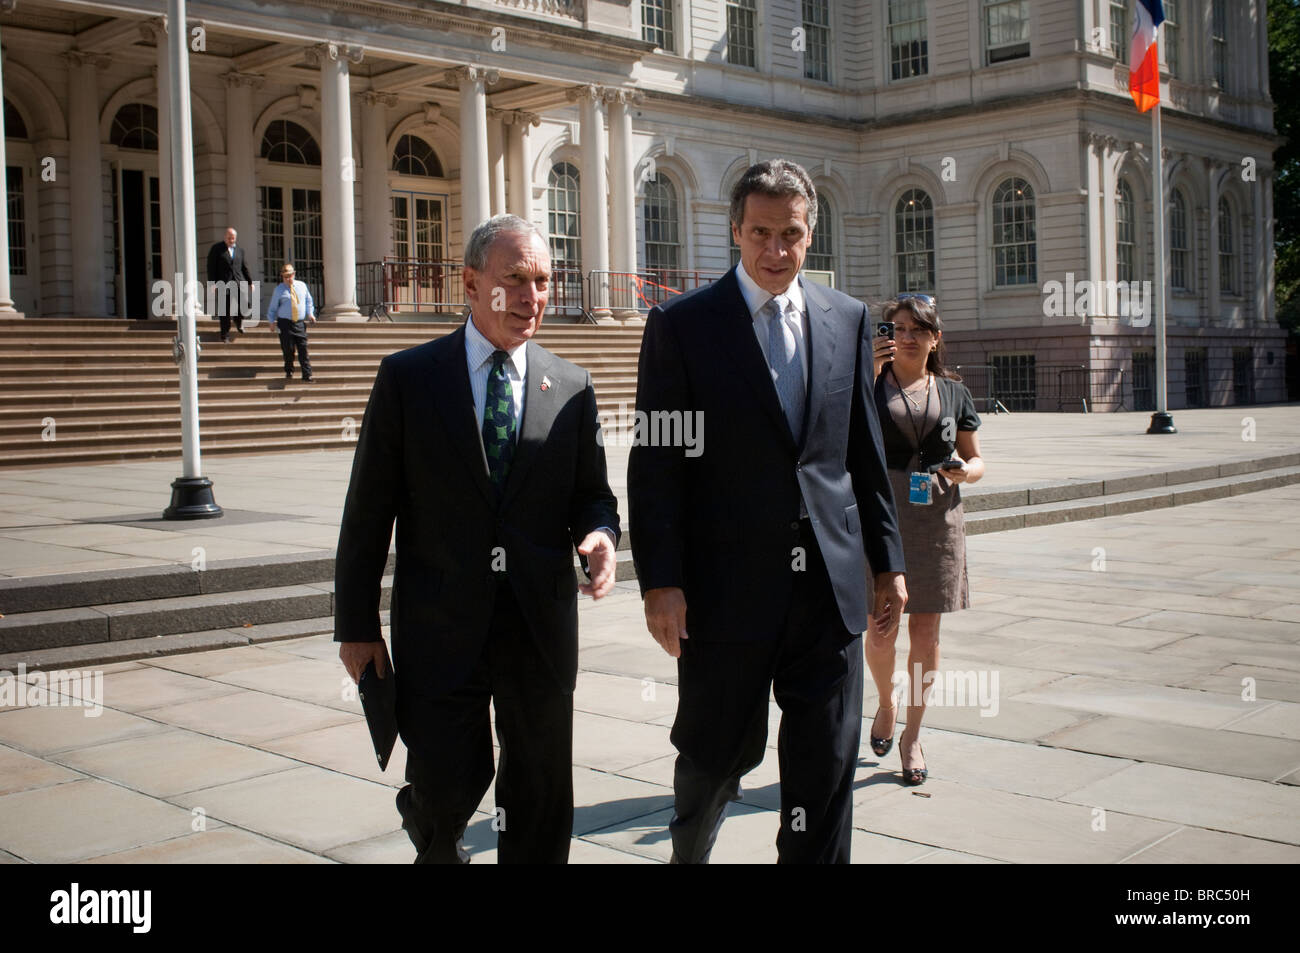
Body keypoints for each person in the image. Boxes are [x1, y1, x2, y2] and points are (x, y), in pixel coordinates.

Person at [627, 159, 907, 864]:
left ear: (812, 234)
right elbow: (656, 463)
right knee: (713, 761)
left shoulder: (847, 319)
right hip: (724, 597)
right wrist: (660, 580)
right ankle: (689, 850)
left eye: (791, 234)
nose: (776, 251)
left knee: (826, 775)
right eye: (760, 233)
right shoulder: (682, 326)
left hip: (828, 590)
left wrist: (888, 561)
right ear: (734, 231)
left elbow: (863, 454)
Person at [334, 214, 620, 864]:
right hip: (440, 627)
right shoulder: (409, 379)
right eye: (515, 278)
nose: (532, 296)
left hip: (538, 627)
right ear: (470, 282)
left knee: (541, 802)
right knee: (445, 792)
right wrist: (355, 623)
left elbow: (592, 494)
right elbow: (368, 508)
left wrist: (601, 534)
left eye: (544, 280)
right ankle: (431, 823)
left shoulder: (571, 386)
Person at [867, 295, 985, 786]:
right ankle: (887, 703)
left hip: (937, 517)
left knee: (927, 635)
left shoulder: (955, 393)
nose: (907, 336)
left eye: (918, 328)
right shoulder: (868, 384)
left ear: (936, 337)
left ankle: (913, 735)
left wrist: (966, 473)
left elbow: (977, 460)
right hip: (882, 513)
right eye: (898, 327)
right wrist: (867, 375)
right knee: (880, 627)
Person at [265, 263, 316, 382]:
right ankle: (289, 369)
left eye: (289, 276)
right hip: (285, 324)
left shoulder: (302, 286)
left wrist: (310, 314)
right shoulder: (279, 289)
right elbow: (272, 308)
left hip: (299, 323)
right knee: (288, 349)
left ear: (294, 274)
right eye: (285, 277)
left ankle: (307, 374)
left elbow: (309, 301)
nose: (288, 279)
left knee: (303, 349)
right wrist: (271, 322)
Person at [205, 227, 254, 342]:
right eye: (229, 238)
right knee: (224, 310)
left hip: (238, 282)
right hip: (223, 283)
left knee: (245, 304)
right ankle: (225, 335)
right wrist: (212, 283)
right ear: (225, 237)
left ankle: (238, 320)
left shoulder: (240, 251)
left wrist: (250, 282)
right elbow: (211, 267)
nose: (231, 240)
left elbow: (244, 267)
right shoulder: (216, 249)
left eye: (233, 238)